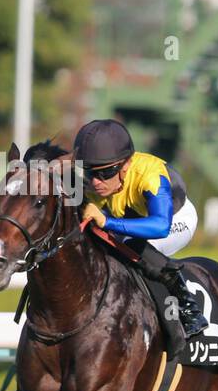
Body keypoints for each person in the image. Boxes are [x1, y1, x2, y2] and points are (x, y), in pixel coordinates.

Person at [74, 118, 208, 348]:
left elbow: (160, 227)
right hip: (135, 219)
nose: (96, 182)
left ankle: (188, 309)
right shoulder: (95, 180)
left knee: (132, 247)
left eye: (105, 173)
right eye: (89, 172)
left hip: (175, 220)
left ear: (125, 166)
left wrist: (106, 221)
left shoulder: (150, 175)